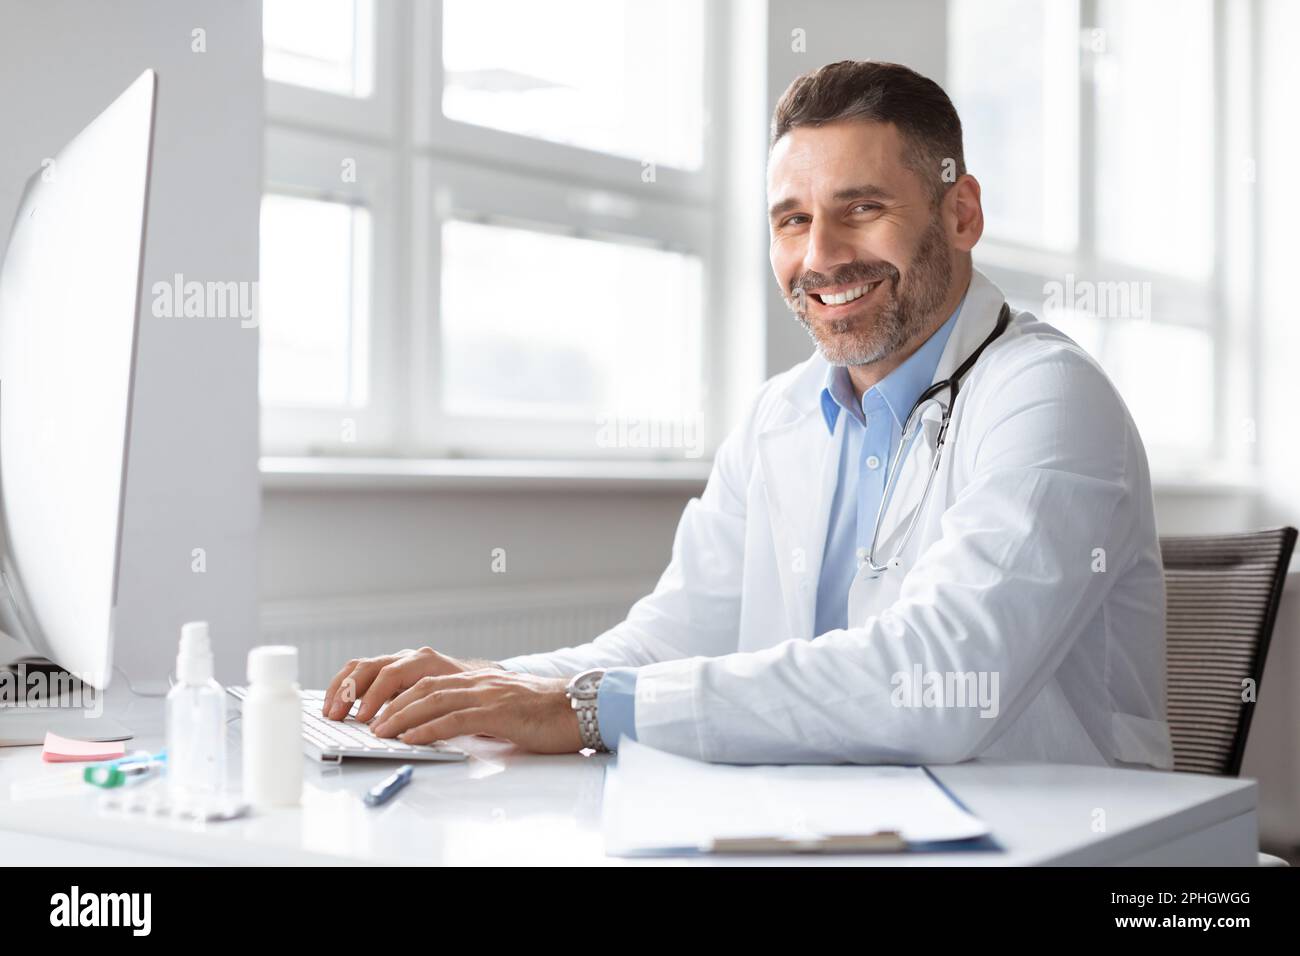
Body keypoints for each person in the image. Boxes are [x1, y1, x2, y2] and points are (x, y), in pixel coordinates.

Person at [321, 60, 1173, 769]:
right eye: (792, 220)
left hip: (1058, 845)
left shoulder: (1047, 396)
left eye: (861, 209)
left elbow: (938, 683)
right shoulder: (781, 414)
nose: (820, 256)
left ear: (961, 213)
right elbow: (669, 645)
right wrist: (485, 686)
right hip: (834, 831)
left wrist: (577, 709)